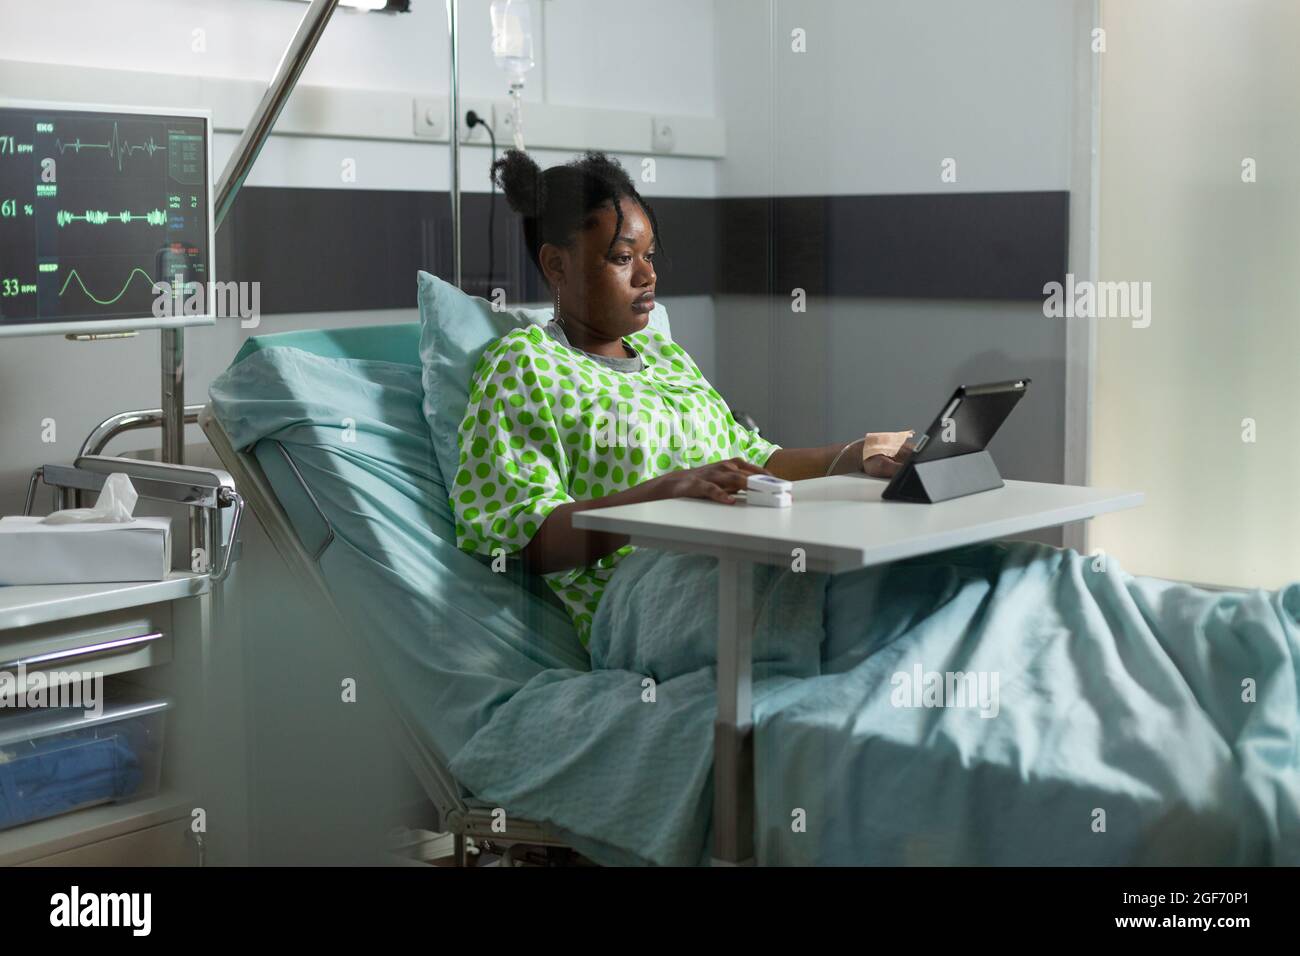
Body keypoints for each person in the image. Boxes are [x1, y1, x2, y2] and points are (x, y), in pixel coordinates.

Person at [450, 148, 910, 646]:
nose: (647, 276)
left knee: (945, 576)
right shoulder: (524, 364)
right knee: (870, 606)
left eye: (648, 256)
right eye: (623, 258)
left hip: (740, 556)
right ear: (557, 265)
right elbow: (525, 541)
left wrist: (859, 454)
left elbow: (756, 462)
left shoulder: (663, 355)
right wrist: (662, 495)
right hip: (641, 597)